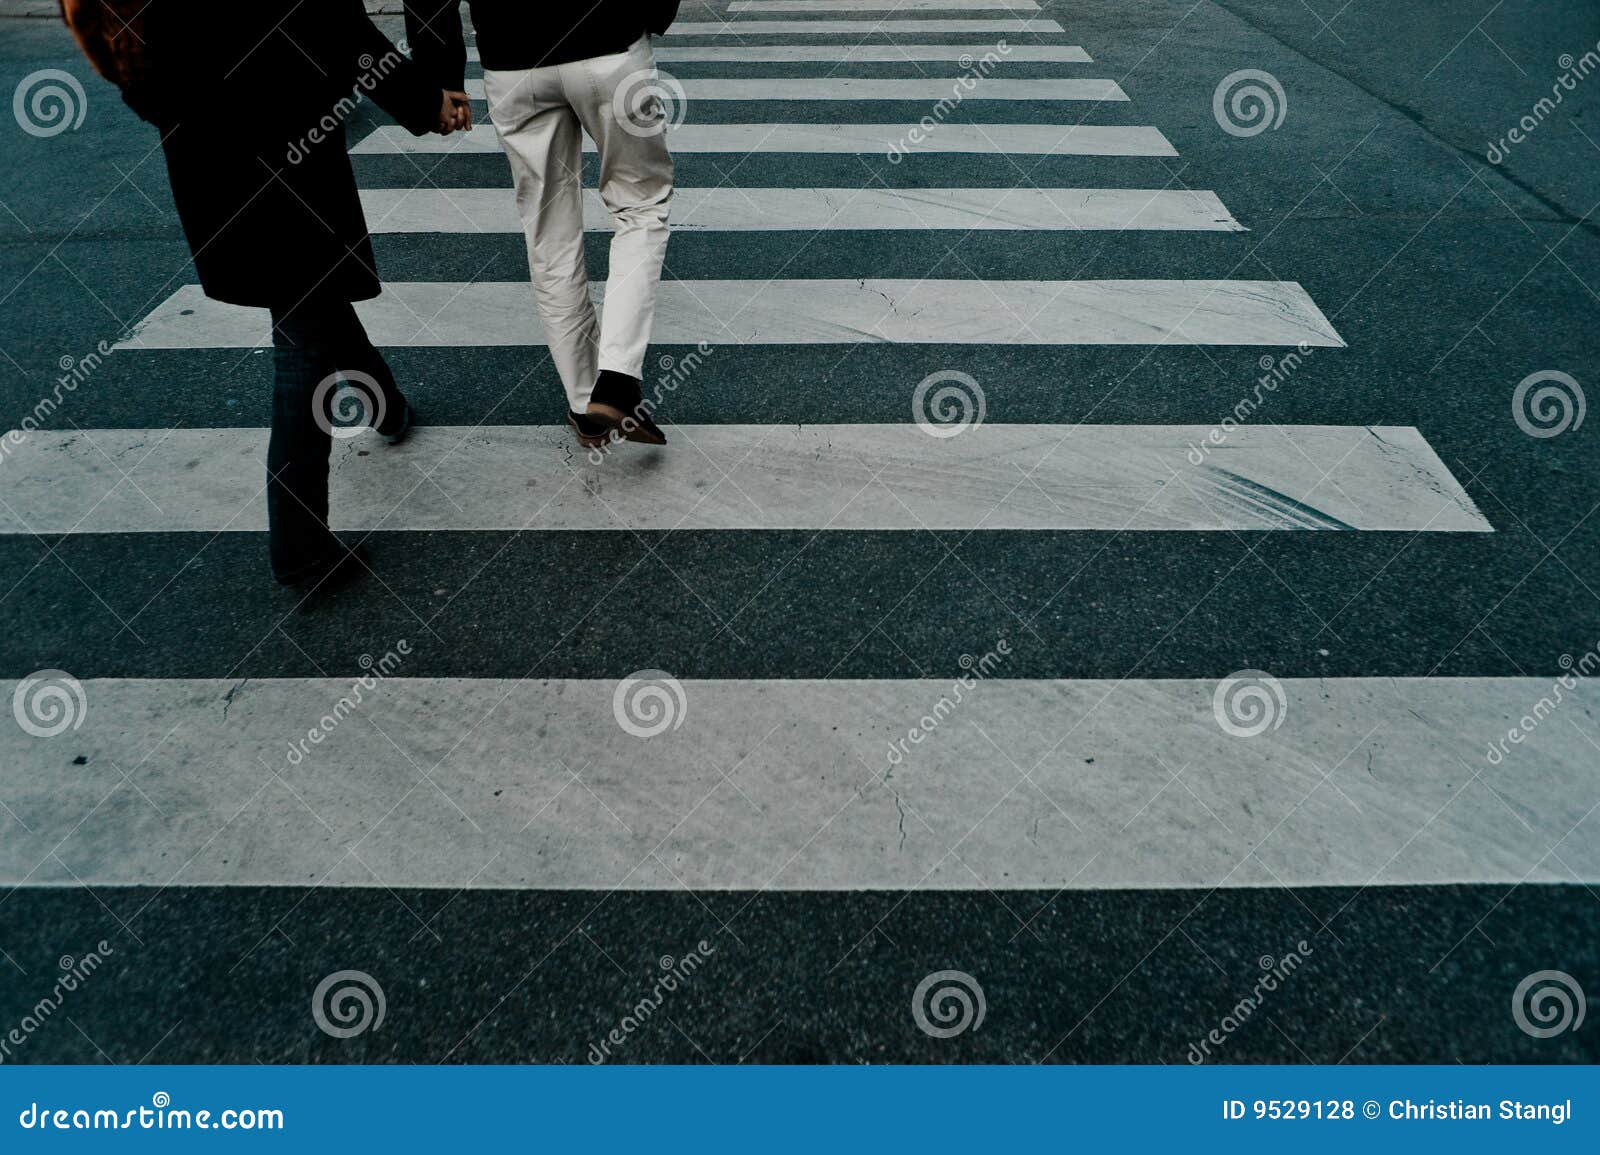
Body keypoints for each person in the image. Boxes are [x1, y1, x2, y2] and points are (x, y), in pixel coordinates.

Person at [60, 0, 471, 590]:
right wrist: (423, 99)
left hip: (204, 143)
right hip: (283, 131)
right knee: (302, 325)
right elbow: (332, 25)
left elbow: (101, 28)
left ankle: (384, 404)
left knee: (306, 291)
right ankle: (300, 546)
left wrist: (170, 106)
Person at [404, 1, 680, 449]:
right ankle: (617, 379)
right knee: (640, 205)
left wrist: (441, 77)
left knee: (549, 231)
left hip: (513, 62)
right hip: (607, 38)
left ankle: (584, 402)